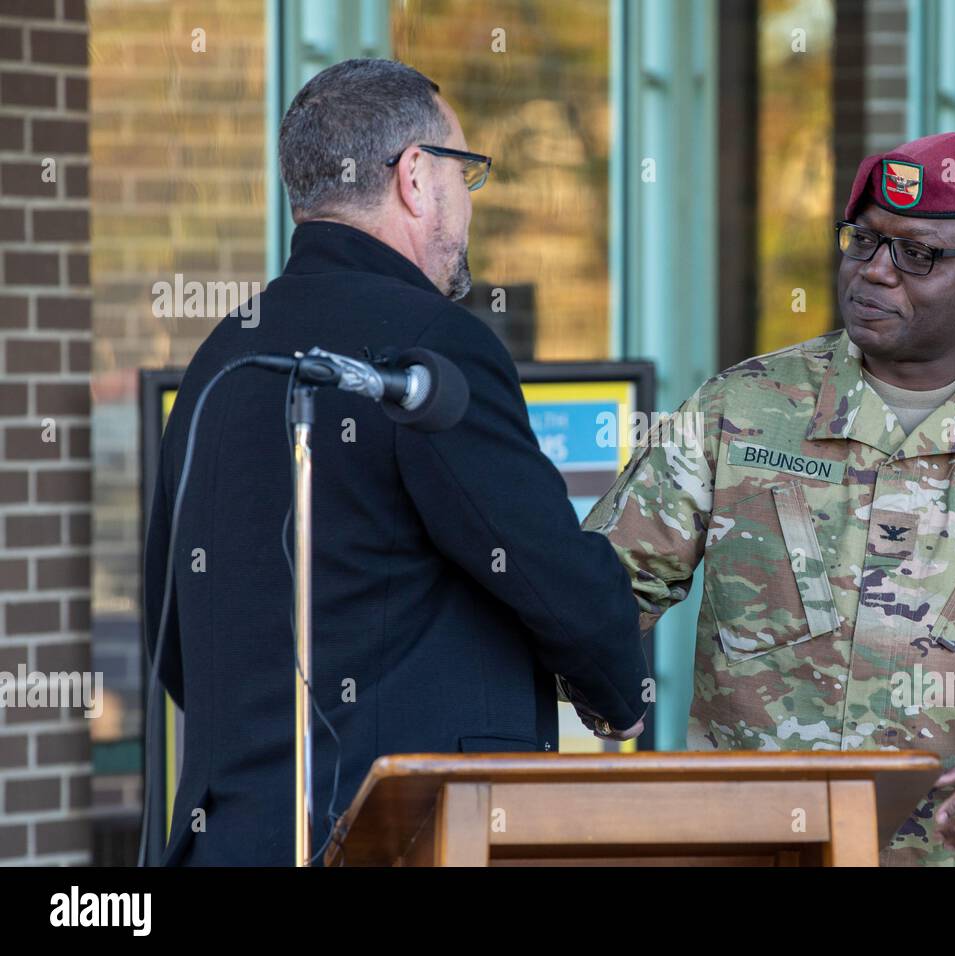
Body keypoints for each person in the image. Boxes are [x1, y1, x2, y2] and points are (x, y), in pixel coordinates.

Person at [583, 132, 955, 865]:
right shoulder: (741, 410)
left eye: (918, 254)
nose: (875, 272)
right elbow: (600, 598)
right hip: (762, 846)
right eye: (864, 241)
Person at [144, 58, 647, 866]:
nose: (468, 204)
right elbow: (544, 565)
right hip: (404, 837)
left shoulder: (220, 354)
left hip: (229, 838)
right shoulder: (434, 346)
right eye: (464, 173)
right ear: (417, 176)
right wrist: (620, 696)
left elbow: (173, 638)